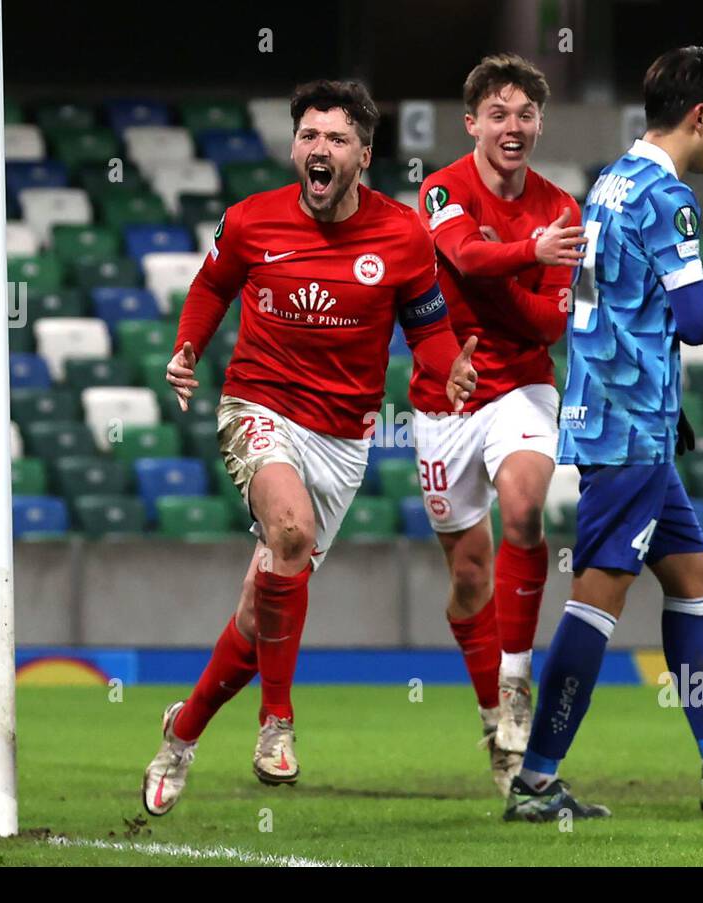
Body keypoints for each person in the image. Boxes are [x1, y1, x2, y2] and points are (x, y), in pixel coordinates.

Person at [141, 79, 478, 815]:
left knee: (261, 611)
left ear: (363, 152)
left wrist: (447, 365)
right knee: (288, 530)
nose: (317, 149)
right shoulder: (252, 220)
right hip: (257, 404)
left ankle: (184, 728)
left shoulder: (401, 235)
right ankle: (278, 723)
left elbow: (425, 328)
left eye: (334, 139)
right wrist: (188, 349)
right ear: (296, 146)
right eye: (308, 136)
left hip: (342, 440)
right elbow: (211, 286)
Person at [502, 46, 703, 822]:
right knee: (598, 597)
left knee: (693, 574)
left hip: (619, 413)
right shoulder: (668, 197)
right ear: (699, 116)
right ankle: (536, 781)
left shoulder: (608, 180)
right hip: (630, 424)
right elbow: (699, 321)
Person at [413, 54, 583, 795]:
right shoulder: (441, 187)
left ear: (539, 123)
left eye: (525, 115)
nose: (513, 127)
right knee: (468, 575)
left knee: (524, 509)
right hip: (441, 397)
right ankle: (492, 714)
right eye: (499, 114)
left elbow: (549, 325)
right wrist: (519, 262)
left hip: (522, 387)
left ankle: (517, 679)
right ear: (472, 122)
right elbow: (462, 251)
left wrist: (489, 281)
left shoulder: (563, 210)